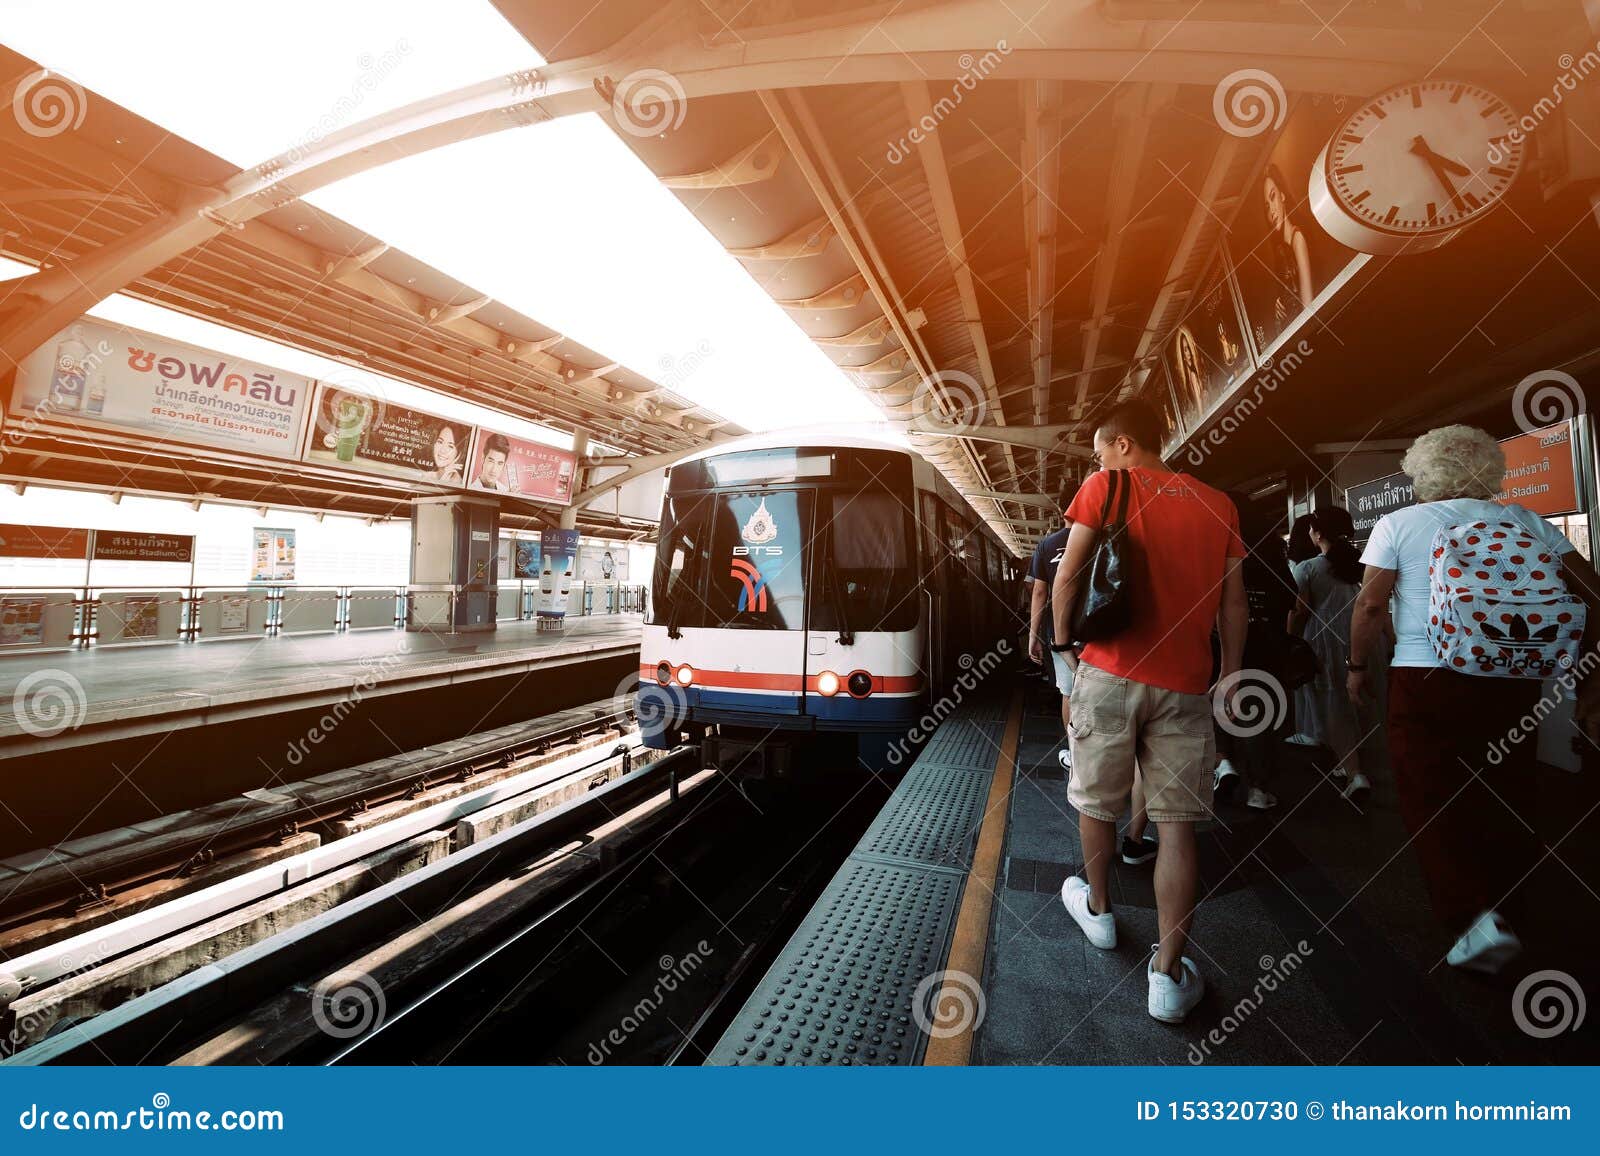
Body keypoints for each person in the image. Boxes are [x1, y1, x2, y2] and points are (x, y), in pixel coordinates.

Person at [1350, 425, 1600, 973]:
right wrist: (1589, 678)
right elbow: (1593, 593)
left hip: (1425, 678)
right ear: (1489, 470)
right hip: (1511, 678)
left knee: (1429, 795)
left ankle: (1473, 918)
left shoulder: (1399, 523)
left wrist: (1356, 667)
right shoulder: (1526, 521)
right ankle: (1513, 908)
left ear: (1422, 472)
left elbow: (1370, 606)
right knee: (1508, 790)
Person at [1052, 400, 1247, 1022]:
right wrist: (1231, 672)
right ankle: (1167, 979)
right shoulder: (1220, 504)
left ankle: (1101, 911)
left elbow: (1067, 578)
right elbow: (1234, 604)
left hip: (1107, 671)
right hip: (1187, 685)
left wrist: (1064, 653)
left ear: (1123, 444)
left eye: (1100, 450)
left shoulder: (1105, 487)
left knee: (1095, 803)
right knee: (1178, 827)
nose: (1099, 461)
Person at [1028, 479, 1157, 862]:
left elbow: (1040, 592)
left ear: (1067, 507)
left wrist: (1039, 635)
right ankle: (1134, 836)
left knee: (1070, 695)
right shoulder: (1120, 535)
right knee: (1140, 744)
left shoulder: (1049, 544)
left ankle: (1076, 753)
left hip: (1065, 634)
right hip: (1114, 638)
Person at [1215, 493, 1298, 811]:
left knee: (1222, 699)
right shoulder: (1270, 548)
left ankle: (1224, 765)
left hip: (1221, 639)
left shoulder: (1218, 542)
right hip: (1265, 641)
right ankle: (1258, 790)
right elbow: (1291, 595)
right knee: (1260, 713)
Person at [1288, 506, 1371, 802]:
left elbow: (1299, 610)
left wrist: (1289, 638)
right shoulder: (1361, 563)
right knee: (1355, 704)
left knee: (1331, 706)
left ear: (1318, 533)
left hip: (1321, 643)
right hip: (1359, 639)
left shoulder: (1308, 568)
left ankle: (1354, 773)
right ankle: (1348, 764)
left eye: (1312, 527)